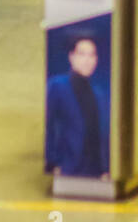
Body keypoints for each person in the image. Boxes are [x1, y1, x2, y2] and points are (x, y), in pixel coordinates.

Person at [46, 33, 110, 179]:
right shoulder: (57, 86)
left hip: (96, 170)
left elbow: (103, 134)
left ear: (96, 60)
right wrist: (53, 163)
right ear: (71, 57)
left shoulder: (99, 94)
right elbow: (48, 125)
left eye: (92, 55)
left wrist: (105, 168)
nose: (87, 60)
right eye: (82, 54)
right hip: (68, 166)